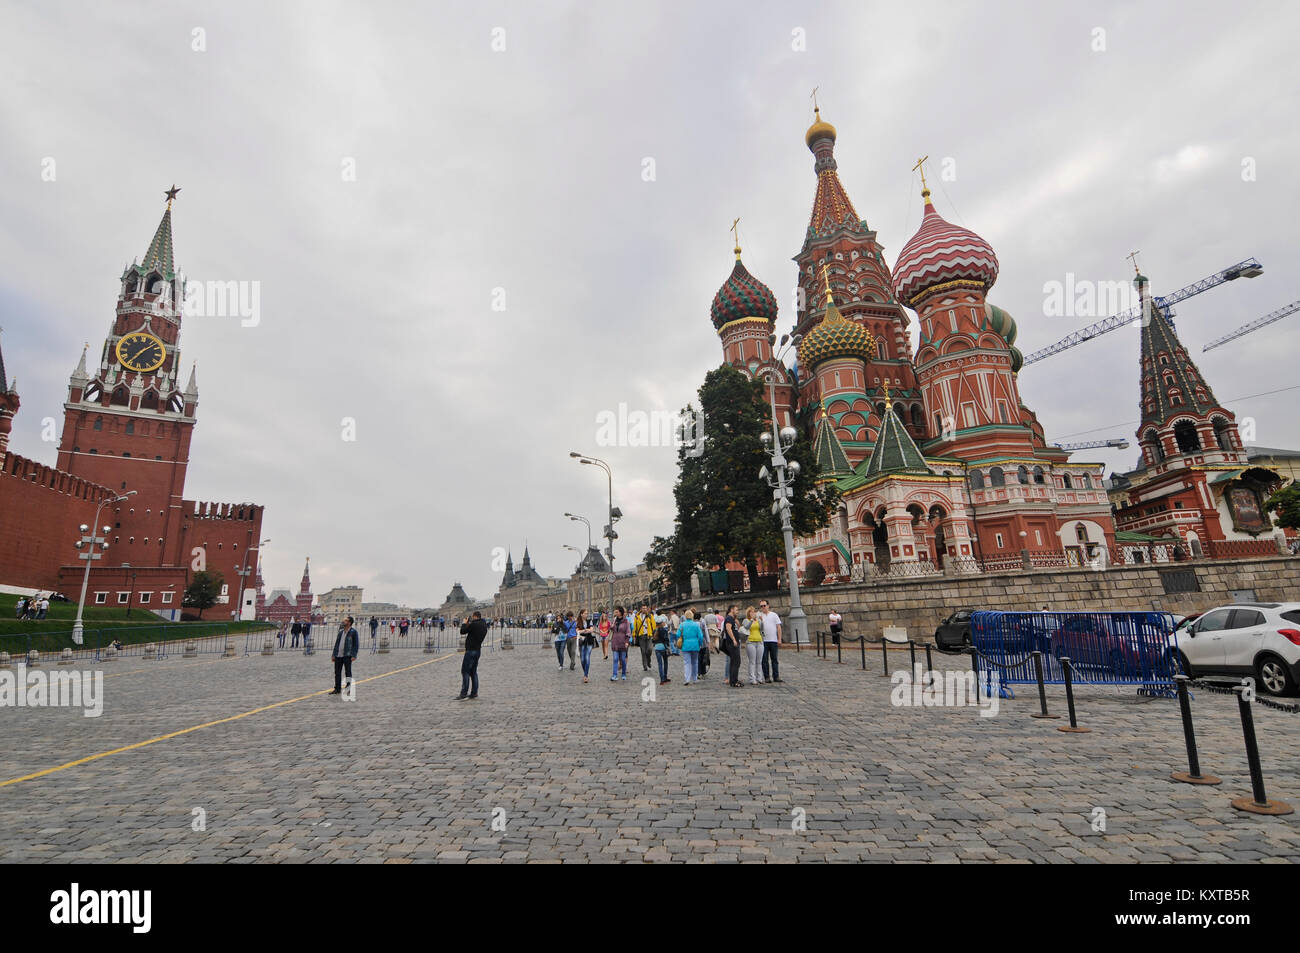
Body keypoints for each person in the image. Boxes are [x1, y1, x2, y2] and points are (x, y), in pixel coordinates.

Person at [457, 611, 488, 699]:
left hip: (470, 650)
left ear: (474, 616)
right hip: (478, 650)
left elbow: (462, 631)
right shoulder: (484, 625)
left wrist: (464, 623)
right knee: (473, 672)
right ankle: (474, 692)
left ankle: (464, 693)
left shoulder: (474, 624)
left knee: (465, 671)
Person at [328, 616, 359, 695]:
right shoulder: (341, 632)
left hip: (347, 655)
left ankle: (348, 688)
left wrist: (354, 655)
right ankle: (337, 689)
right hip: (338, 655)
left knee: (348, 672)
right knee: (337, 672)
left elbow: (356, 644)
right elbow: (337, 643)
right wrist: (333, 654)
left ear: (349, 623)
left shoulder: (353, 632)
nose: (344, 621)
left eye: (346, 620)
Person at [677, 608, 704, 685]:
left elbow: (678, 635)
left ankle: (687, 679)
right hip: (695, 645)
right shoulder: (696, 625)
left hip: (685, 645)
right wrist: (699, 643)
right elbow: (701, 636)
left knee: (687, 663)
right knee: (695, 662)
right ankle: (694, 678)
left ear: (685, 616)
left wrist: (681, 639)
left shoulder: (682, 625)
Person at [759, 599, 782, 683]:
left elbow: (778, 627)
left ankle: (776, 676)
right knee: (764, 660)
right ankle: (767, 677)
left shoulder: (774, 615)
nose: (763, 607)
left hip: (773, 640)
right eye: (761, 606)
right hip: (763, 640)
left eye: (764, 605)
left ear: (768, 606)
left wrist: (779, 639)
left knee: (774, 659)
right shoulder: (759, 616)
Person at [721, 604, 743, 688]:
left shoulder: (732, 618)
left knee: (734, 662)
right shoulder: (729, 618)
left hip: (733, 643)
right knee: (736, 662)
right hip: (732, 643)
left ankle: (733, 680)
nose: (737, 612)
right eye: (736, 610)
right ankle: (734, 681)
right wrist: (734, 639)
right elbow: (728, 629)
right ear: (731, 610)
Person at [609, 605, 630, 681]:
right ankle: (614, 675)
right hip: (615, 642)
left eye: (616, 612)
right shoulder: (615, 620)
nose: (615, 613)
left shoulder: (626, 621)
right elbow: (612, 629)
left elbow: (628, 632)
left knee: (623, 660)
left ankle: (623, 674)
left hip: (623, 642)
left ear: (620, 612)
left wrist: (627, 641)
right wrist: (611, 626)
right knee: (615, 659)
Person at [576, 609, 597, 684]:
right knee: (582, 659)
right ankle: (585, 672)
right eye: (585, 613)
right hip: (582, 642)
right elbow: (577, 631)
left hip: (589, 641)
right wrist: (585, 630)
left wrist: (584, 630)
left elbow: (591, 630)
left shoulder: (589, 621)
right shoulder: (578, 621)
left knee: (587, 658)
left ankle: (585, 675)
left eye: (587, 613)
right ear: (581, 614)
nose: (586, 615)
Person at [744, 606, 764, 685]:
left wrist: (762, 622)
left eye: (754, 611)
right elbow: (746, 627)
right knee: (752, 661)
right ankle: (752, 678)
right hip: (751, 642)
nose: (753, 613)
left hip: (759, 641)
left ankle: (760, 678)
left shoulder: (758, 620)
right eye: (751, 612)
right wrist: (752, 620)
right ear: (748, 613)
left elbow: (762, 629)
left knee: (759, 661)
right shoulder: (746, 620)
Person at [633, 604, 654, 671]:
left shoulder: (650, 616)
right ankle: (645, 665)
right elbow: (635, 626)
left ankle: (648, 660)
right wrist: (634, 635)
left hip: (649, 635)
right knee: (643, 651)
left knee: (649, 649)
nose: (645, 609)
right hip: (641, 636)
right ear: (641, 609)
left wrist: (652, 632)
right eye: (643, 608)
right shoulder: (637, 617)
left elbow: (653, 625)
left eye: (645, 608)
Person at [653, 612, 672, 685]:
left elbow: (653, 640)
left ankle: (661, 679)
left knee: (660, 664)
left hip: (657, 648)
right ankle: (665, 677)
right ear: (661, 623)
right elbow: (666, 639)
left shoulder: (655, 630)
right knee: (665, 662)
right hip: (663, 647)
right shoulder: (663, 630)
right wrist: (667, 646)